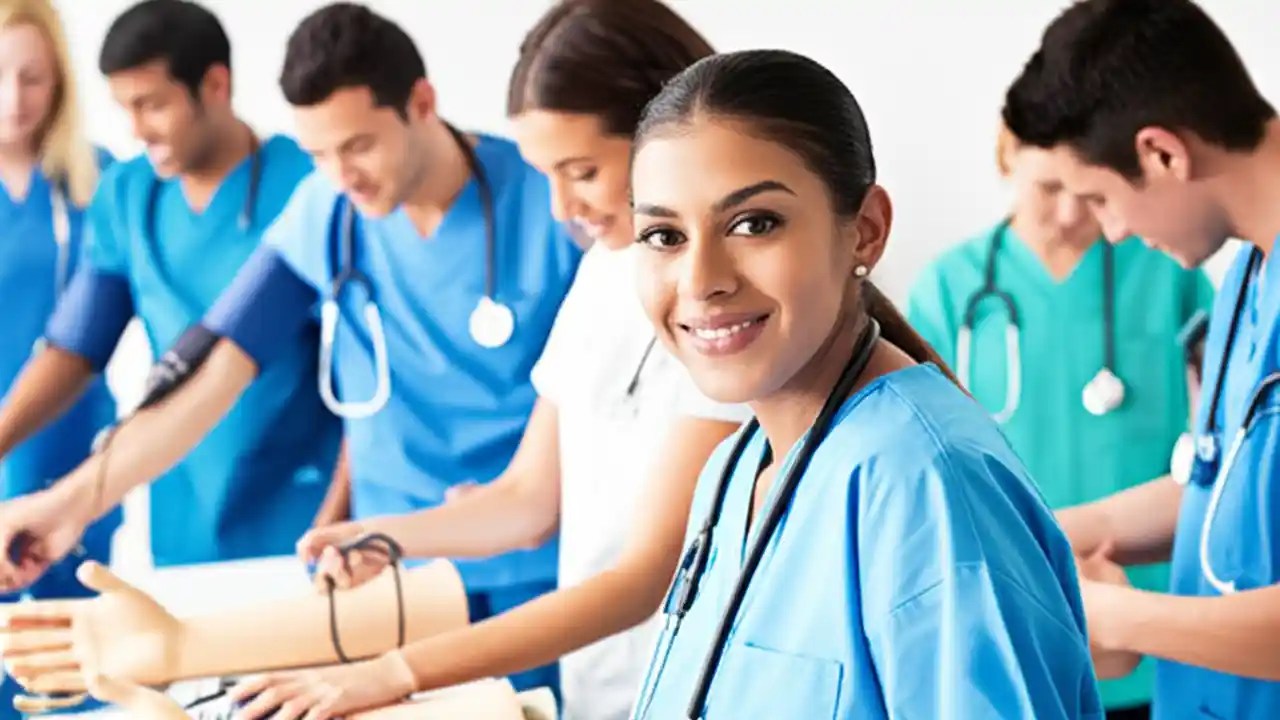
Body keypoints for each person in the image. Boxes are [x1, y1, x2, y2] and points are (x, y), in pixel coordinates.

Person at [0, 3, 739, 718]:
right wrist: (68, 506)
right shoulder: (335, 213)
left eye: (357, 146)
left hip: (545, 589)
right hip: (409, 574)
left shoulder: (590, 230)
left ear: (422, 103)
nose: (340, 176)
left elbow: (610, 553)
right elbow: (213, 370)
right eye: (319, 155)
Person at [619, 48, 1099, 718]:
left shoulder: (925, 483)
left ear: (865, 232)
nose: (701, 281)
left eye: (755, 224)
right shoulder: (733, 469)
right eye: (664, 235)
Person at [0, 0, 343, 587]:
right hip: (181, 511)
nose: (136, 130)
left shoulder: (309, 184)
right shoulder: (127, 194)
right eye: (124, 108)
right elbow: (77, 346)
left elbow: (364, 380)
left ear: (215, 86)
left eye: (153, 105)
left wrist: (338, 522)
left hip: (301, 508)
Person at [1002, 0, 1280, 718]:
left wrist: (1115, 617)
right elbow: (1222, 490)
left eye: (1100, 198)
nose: (1112, 232)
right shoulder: (1246, 282)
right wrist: (1057, 535)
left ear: (1162, 153)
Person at [906, 124, 1214, 717]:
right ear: (1006, 158)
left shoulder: (1165, 264)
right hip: (1009, 597)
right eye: (1049, 188)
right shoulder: (948, 286)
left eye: (1089, 190)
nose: (1072, 213)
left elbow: (1231, 409)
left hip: (1148, 600)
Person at [0, 0, 117, 716]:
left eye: (33, 77)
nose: (14, 98)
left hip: (76, 445)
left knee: (79, 662)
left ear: (61, 83)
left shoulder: (99, 181)